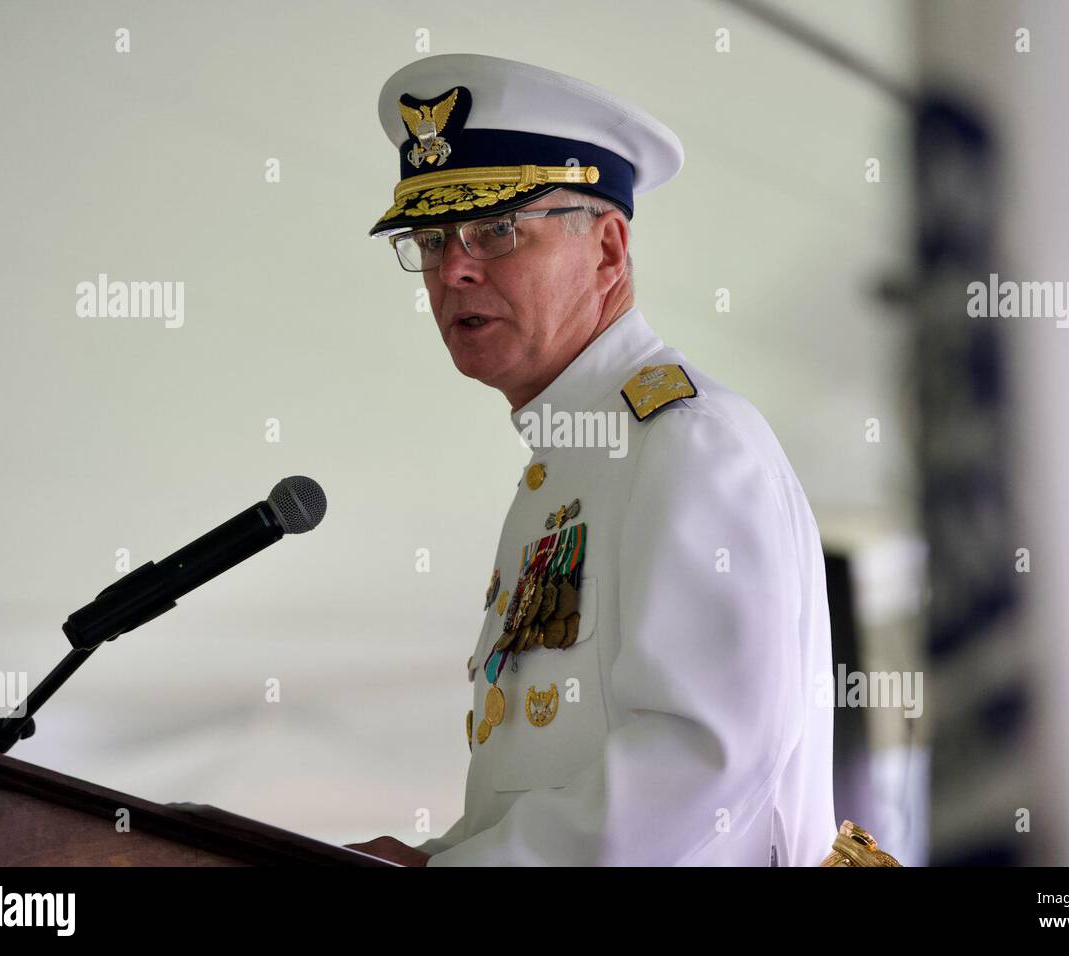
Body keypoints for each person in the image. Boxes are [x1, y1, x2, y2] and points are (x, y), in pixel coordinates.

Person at [346, 53, 836, 866]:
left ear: (608, 249)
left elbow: (704, 759)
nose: (453, 269)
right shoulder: (563, 468)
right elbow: (542, 787)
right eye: (429, 241)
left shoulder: (687, 439)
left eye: (495, 230)